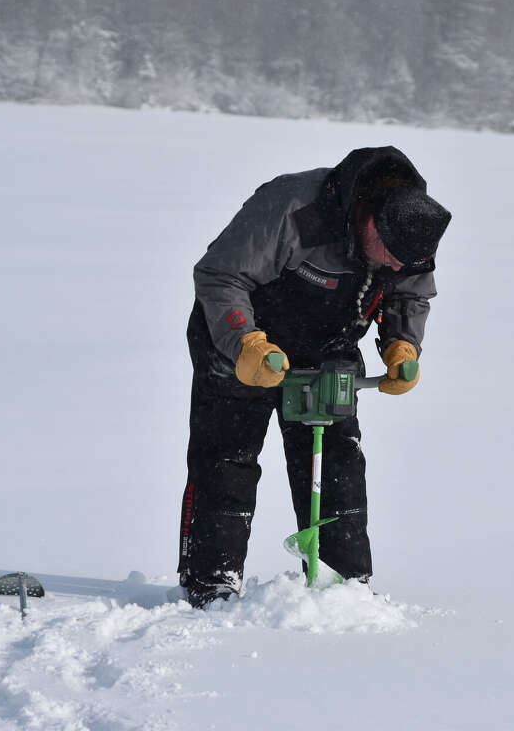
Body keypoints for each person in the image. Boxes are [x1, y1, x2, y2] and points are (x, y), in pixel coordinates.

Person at [178, 146, 451, 609]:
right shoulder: (292, 208)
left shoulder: (411, 234)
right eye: (394, 258)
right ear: (373, 222)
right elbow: (220, 276)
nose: (399, 268)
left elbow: (410, 293)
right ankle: (210, 587)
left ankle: (342, 590)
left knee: (336, 463)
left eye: (411, 263)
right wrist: (246, 343)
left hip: (327, 348)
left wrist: (402, 344)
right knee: (227, 460)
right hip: (240, 338)